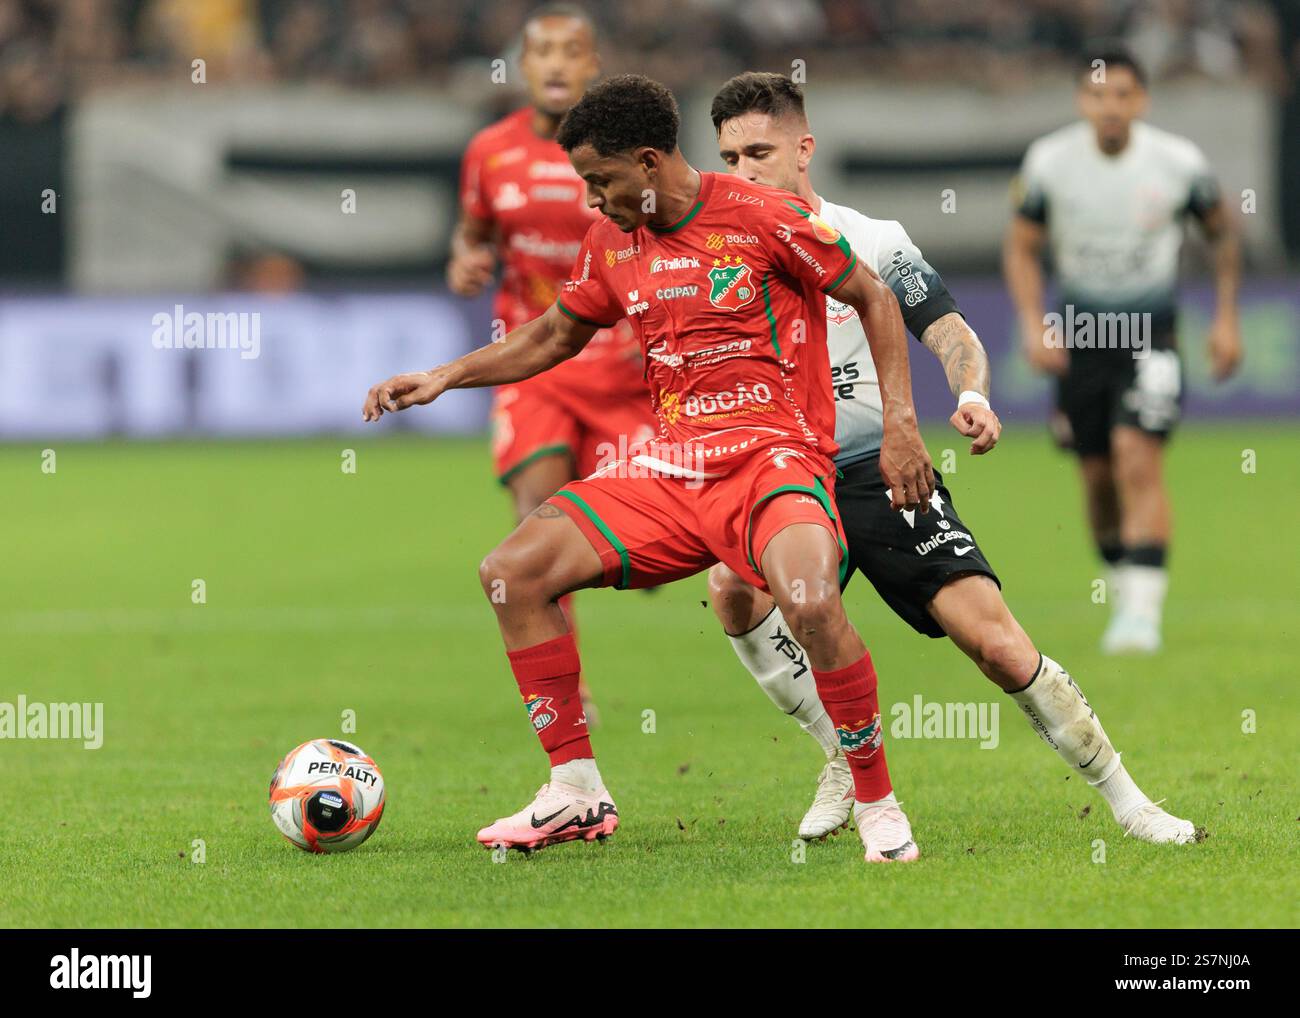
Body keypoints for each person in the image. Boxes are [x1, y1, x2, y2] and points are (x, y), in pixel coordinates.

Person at [365, 74, 938, 864]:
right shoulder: (610, 239)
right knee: (513, 571)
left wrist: (903, 423)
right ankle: (574, 789)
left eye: (600, 181)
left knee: (810, 602)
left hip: (773, 456)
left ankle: (877, 801)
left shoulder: (767, 217)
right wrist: (444, 376)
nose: (591, 200)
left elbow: (873, 298)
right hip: (669, 466)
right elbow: (556, 335)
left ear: (646, 161)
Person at [704, 71, 1201, 846]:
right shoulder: (713, 256)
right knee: (732, 589)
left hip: (881, 469)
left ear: (804, 149)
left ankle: (1131, 801)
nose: (743, 173)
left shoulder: (873, 238)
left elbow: (949, 330)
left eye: (759, 152)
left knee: (996, 644)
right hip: (784, 476)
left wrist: (972, 393)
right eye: (728, 158)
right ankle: (841, 749)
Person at [449, 5, 656, 714]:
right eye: (544, 52)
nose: (559, 63)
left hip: (625, 369)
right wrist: (467, 262)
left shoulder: (624, 154)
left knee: (658, 543)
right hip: (531, 360)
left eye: (574, 51)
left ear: (595, 65)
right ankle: (571, 693)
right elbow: (472, 234)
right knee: (534, 511)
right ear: (524, 66)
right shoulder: (489, 152)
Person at [1003, 47, 1242, 654]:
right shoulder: (1050, 162)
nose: (1110, 107)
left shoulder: (1177, 162)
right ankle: (1124, 585)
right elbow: (1022, 247)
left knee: (1138, 456)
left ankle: (1140, 617)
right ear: (1083, 101)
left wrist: (1226, 318)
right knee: (1098, 477)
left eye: (1123, 95)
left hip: (1150, 336)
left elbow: (1222, 234)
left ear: (1141, 100)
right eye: (1098, 95)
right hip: (1080, 340)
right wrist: (1033, 323)